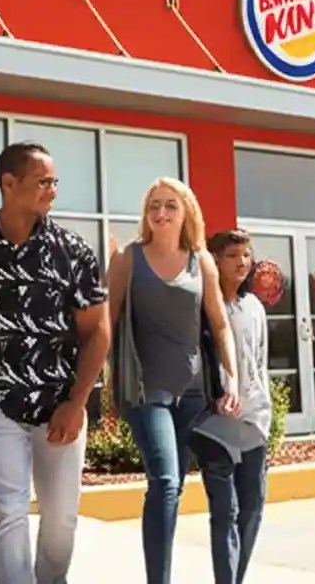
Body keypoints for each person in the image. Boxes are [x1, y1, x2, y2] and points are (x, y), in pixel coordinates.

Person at [0, 141, 111, 584]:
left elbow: (97, 332)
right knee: (9, 512)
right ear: (8, 184)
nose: (52, 190)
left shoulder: (73, 252)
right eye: (43, 182)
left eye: (54, 181)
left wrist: (77, 403)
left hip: (61, 407)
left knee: (61, 523)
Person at [106, 176, 240, 584]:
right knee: (164, 482)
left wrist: (231, 378)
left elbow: (219, 326)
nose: (161, 213)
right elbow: (105, 326)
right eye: (154, 206)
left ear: (186, 213)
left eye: (170, 205)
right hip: (148, 391)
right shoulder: (129, 259)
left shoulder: (201, 261)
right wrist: (95, 390)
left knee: (180, 486)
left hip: (195, 393)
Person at [190, 229, 272, 584]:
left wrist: (265, 409)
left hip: (253, 421)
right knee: (227, 510)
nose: (241, 261)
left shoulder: (254, 307)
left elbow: (260, 362)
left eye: (246, 255)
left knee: (252, 509)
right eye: (232, 255)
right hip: (215, 422)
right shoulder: (202, 308)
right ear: (214, 261)